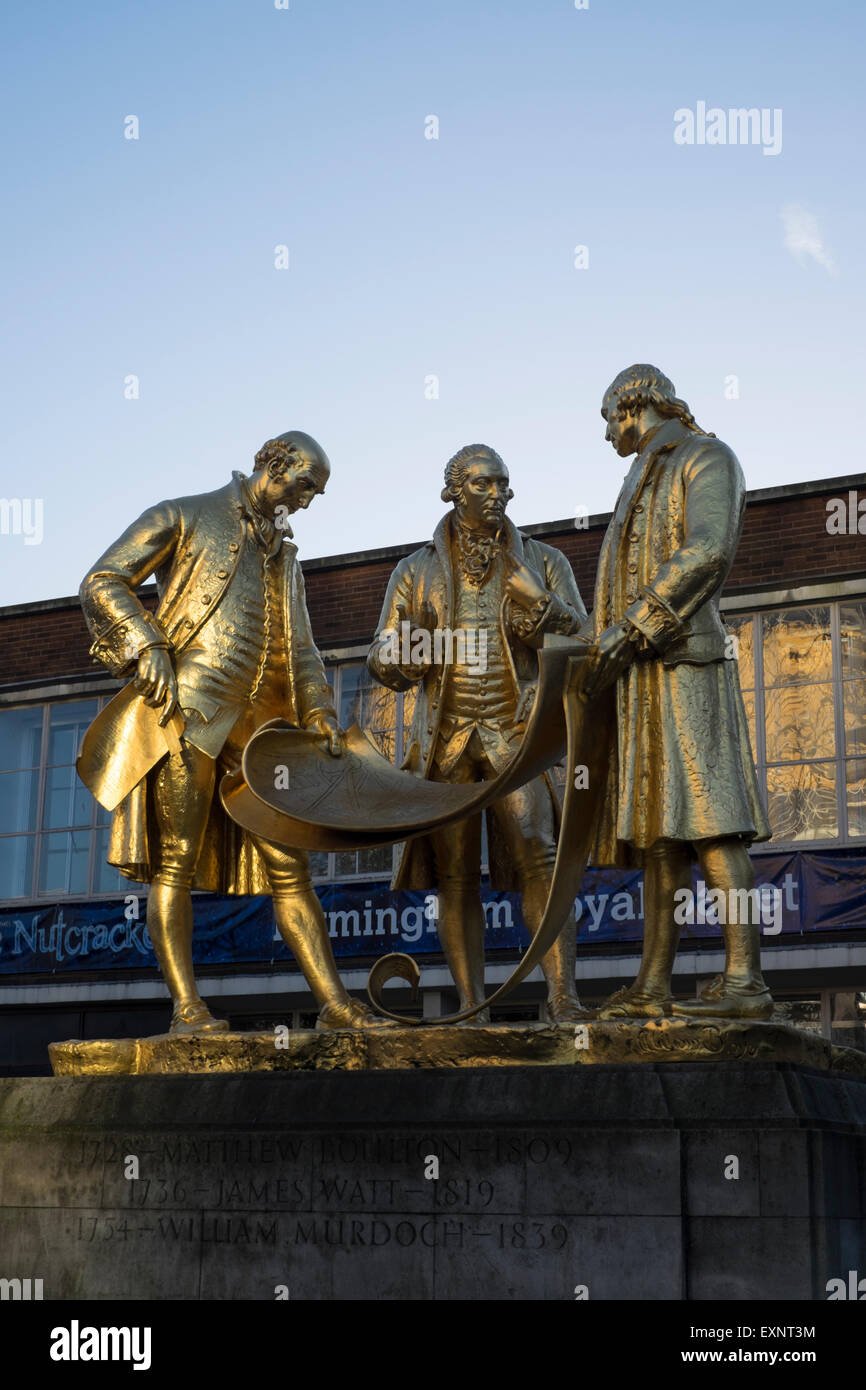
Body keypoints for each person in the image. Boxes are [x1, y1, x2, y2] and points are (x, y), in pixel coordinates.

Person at [79, 431, 389, 1033]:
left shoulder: (287, 558)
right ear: (275, 465)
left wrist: (320, 709)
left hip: (263, 735)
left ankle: (336, 1006)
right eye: (305, 486)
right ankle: (187, 1009)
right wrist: (146, 646)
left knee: (291, 868)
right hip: (187, 715)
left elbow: (301, 648)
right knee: (177, 861)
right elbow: (103, 580)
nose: (307, 502)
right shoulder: (184, 514)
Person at [367, 443, 588, 1023]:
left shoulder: (542, 561)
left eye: (504, 485)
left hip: (517, 734)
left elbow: (584, 641)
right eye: (484, 485)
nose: (498, 495)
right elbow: (381, 657)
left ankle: (564, 997)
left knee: (542, 852)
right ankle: (469, 1006)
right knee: (454, 875)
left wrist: (542, 610)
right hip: (446, 742)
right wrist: (404, 648)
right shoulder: (413, 571)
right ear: (454, 491)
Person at [580, 366, 773, 1019]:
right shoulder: (642, 476)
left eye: (608, 418)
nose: (606, 433)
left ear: (632, 404)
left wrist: (634, 627)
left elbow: (708, 552)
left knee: (713, 822)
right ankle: (653, 984)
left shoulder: (705, 457)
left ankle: (745, 981)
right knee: (660, 831)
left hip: (686, 663)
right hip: (642, 676)